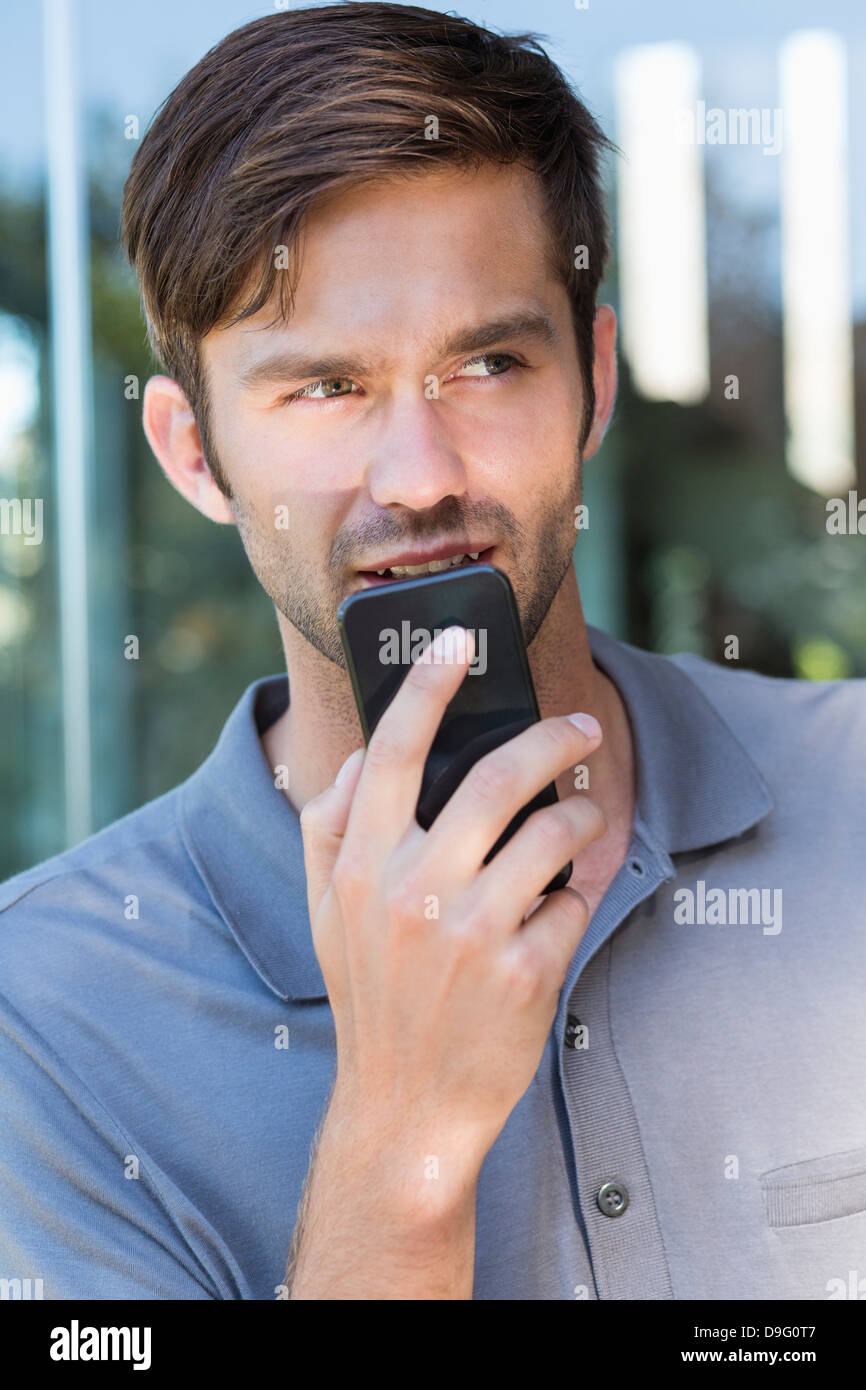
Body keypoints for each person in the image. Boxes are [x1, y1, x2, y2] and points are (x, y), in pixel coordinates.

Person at [1, 3, 864, 1302]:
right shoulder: (41, 1016)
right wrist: (400, 1142)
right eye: (324, 385)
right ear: (193, 453)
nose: (415, 479)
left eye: (485, 363)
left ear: (594, 378)